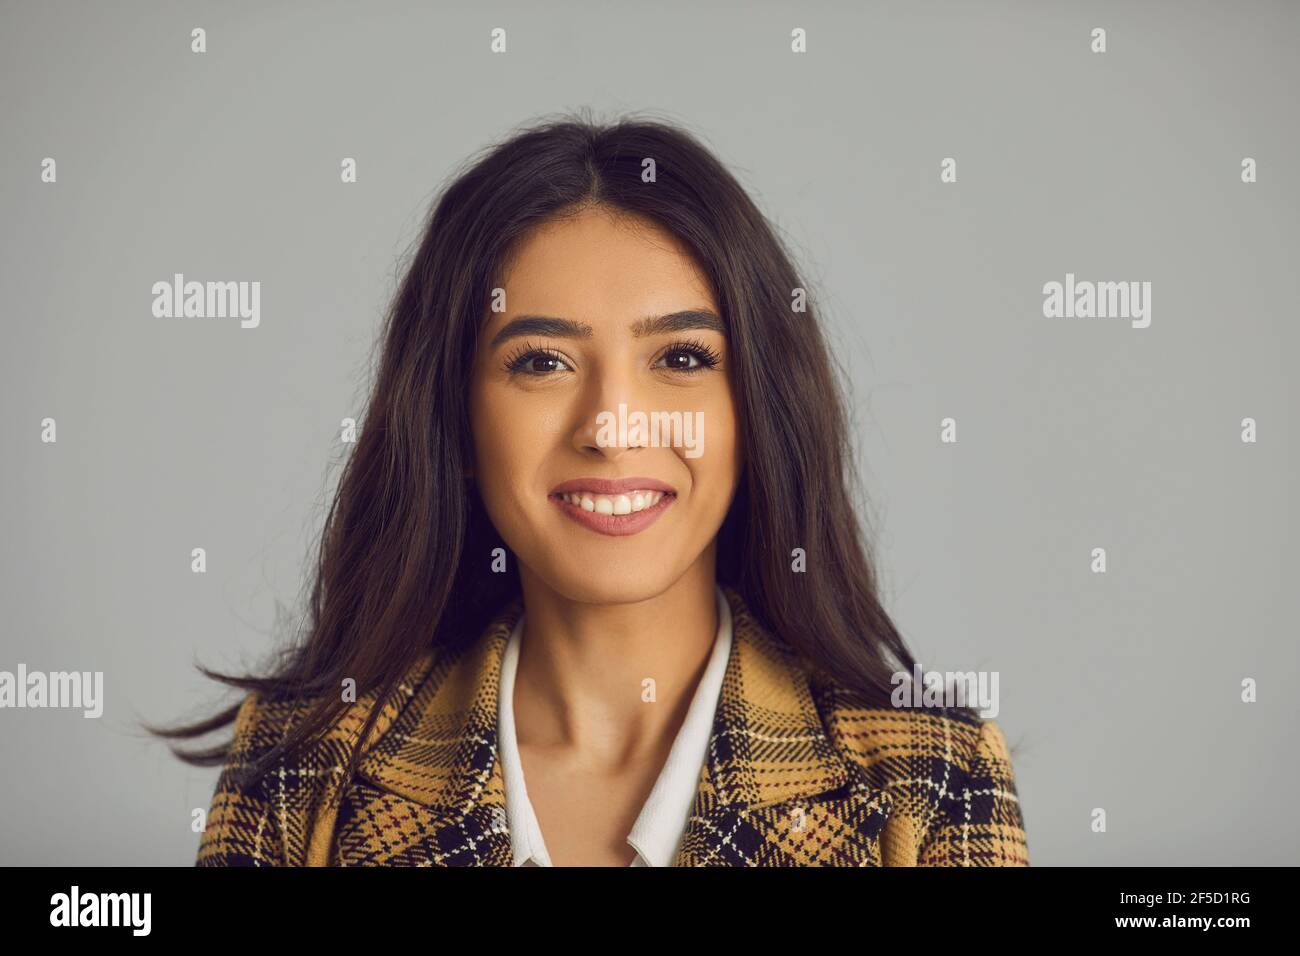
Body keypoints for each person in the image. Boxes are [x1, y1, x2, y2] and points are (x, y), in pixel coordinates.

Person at [152, 112, 1029, 867]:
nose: (612, 427)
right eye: (541, 362)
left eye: (681, 359)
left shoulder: (933, 784)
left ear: (756, 411)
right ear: (454, 422)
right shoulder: (299, 769)